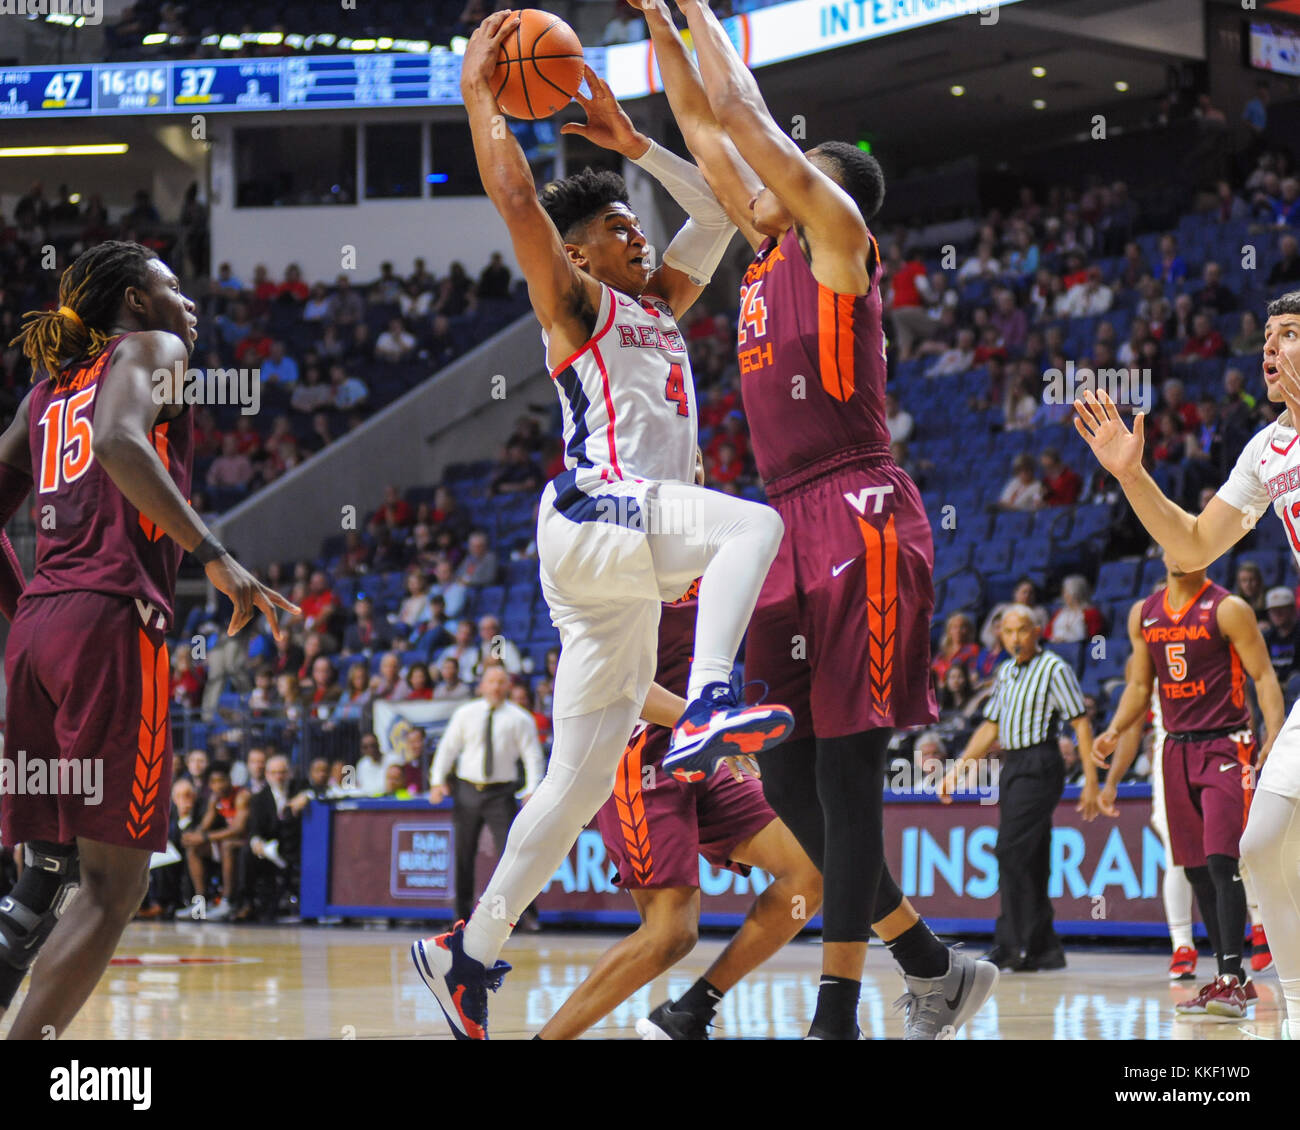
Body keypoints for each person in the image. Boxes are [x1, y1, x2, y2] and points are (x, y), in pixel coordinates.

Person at [413, 16, 795, 1040]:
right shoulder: (574, 301)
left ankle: (469, 948)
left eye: (635, 226)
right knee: (749, 529)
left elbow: (719, 208)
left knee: (576, 780)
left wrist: (632, 144)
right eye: (620, 228)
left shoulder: (659, 302)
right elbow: (515, 198)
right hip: (594, 516)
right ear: (580, 251)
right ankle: (713, 696)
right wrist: (479, 96)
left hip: (617, 573)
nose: (637, 236)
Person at [631, 0, 996, 1040]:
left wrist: (697, 10)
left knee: (844, 773)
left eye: (791, 168)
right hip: (782, 524)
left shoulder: (836, 234)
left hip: (860, 512)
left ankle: (837, 1010)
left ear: (821, 183)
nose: (765, 179)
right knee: (787, 773)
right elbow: (707, 126)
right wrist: (661, 37)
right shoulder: (767, 249)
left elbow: (741, 117)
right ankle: (931, 963)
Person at [0, 242, 295, 1038]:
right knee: (114, 892)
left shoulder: (45, 392)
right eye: (173, 287)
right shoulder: (151, 348)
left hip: (37, 638)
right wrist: (219, 560)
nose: (189, 304)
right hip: (109, 628)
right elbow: (119, 442)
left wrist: (29, 605)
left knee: (47, 876)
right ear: (134, 299)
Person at [1072, 291, 1300, 1039]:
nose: (1269, 349)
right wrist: (1134, 477)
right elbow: (1194, 547)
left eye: (1290, 335)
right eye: (1266, 336)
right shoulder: (1267, 450)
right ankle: (1291, 1009)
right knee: (1260, 845)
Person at [539, 577, 823, 1039]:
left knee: (811, 871)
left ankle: (689, 1013)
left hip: (703, 748)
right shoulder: (620, 563)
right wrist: (714, 727)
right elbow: (622, 684)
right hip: (641, 753)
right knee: (670, 933)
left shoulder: (717, 555)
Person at [1090, 552, 1283, 1018]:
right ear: (1160, 551)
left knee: (1223, 860)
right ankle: (1227, 979)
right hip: (1173, 749)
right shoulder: (1145, 612)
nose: (1177, 548)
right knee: (1195, 868)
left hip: (1225, 744)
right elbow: (1139, 687)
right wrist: (1116, 728)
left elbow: (1263, 675)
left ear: (1205, 550)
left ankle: (1235, 980)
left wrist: (1273, 731)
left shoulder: (1228, 608)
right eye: (1168, 540)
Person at [941, 606, 1101, 971]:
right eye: (1008, 631)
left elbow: (1080, 723)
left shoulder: (1055, 669)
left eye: (1022, 630)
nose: (1014, 638)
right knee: (1032, 857)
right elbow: (990, 727)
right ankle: (1045, 949)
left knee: (1009, 852)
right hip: (1012, 765)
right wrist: (957, 770)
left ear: (1037, 631)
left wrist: (1091, 780)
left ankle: (1009, 945)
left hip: (1041, 763)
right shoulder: (1005, 672)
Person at [427, 667, 546, 926]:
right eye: (491, 682)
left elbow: (532, 756)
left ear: (508, 687)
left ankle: (525, 915)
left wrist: (531, 788)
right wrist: (437, 781)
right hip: (467, 789)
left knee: (512, 854)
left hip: (501, 793)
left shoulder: (520, 718)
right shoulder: (465, 714)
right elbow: (447, 749)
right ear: (481, 685)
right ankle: (460, 916)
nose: (495, 687)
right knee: (463, 854)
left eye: (501, 682)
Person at [1262, 585, 1300, 686]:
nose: (1277, 614)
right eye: (1273, 610)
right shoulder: (1267, 636)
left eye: (1282, 609)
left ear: (1292, 609)